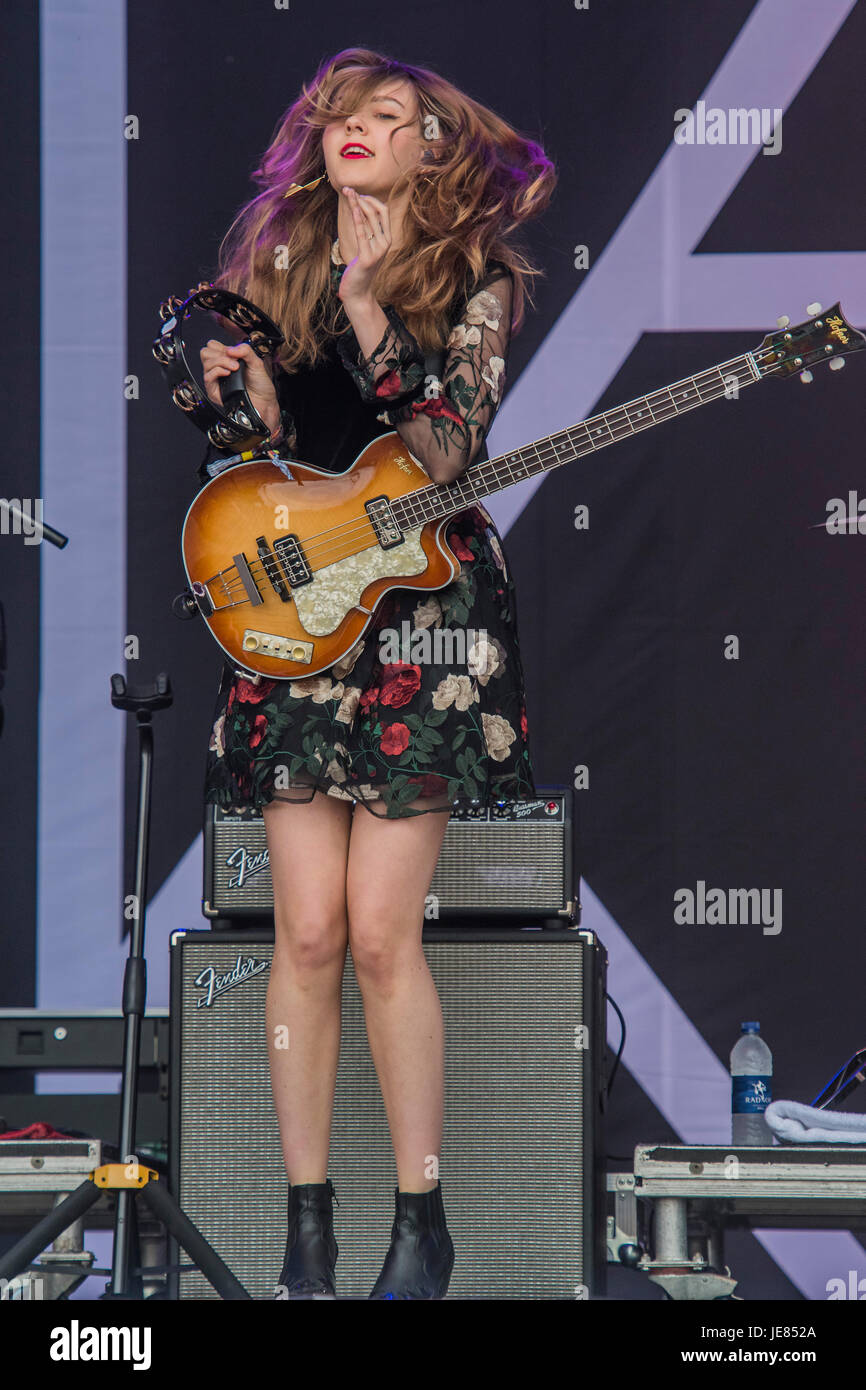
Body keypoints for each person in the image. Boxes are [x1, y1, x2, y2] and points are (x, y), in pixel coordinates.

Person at [195, 47, 555, 1299]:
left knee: (380, 933)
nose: (358, 131)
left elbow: (447, 448)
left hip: (420, 623)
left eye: (389, 117)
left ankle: (421, 1215)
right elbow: (268, 461)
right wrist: (233, 402)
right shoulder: (277, 255)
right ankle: (307, 1222)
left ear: (430, 150)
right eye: (345, 114)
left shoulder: (478, 278)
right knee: (302, 930)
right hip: (306, 614)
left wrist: (365, 305)